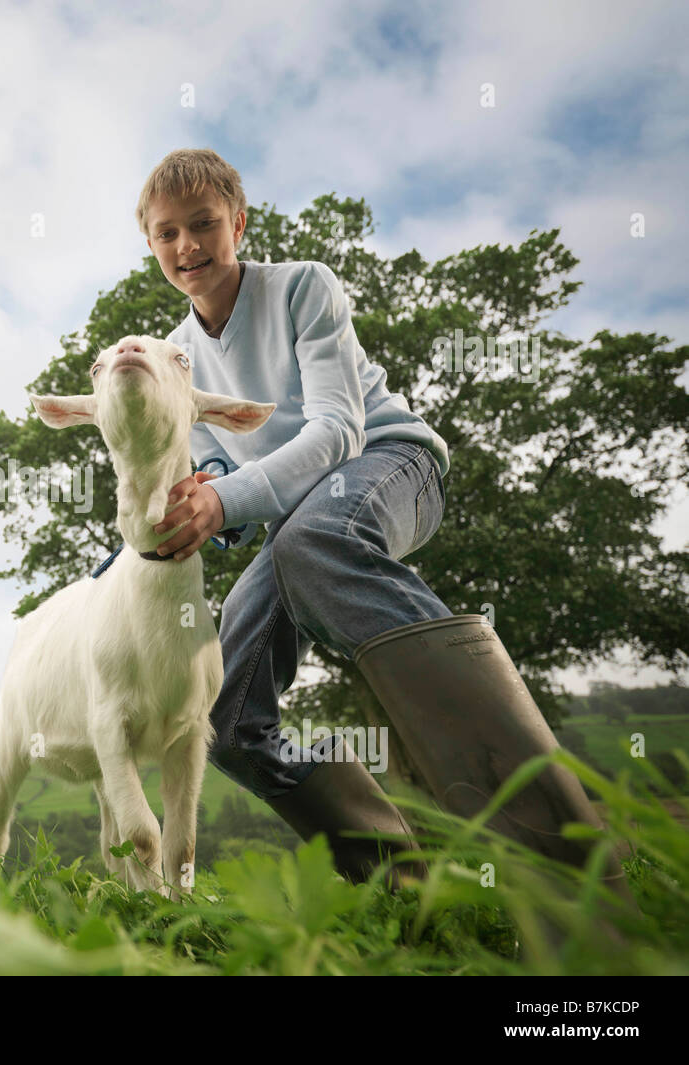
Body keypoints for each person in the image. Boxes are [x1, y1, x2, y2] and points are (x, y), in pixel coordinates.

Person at [132, 148, 631, 899]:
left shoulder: (303, 286)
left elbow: (337, 430)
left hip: (391, 462)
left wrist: (230, 503)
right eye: (168, 234)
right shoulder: (176, 359)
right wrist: (200, 510)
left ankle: (569, 868)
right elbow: (222, 486)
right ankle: (402, 883)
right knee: (223, 710)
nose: (188, 246)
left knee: (312, 540)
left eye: (203, 225)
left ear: (238, 221)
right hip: (297, 523)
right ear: (151, 245)